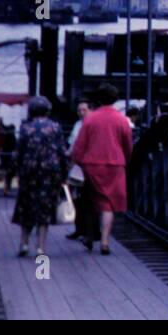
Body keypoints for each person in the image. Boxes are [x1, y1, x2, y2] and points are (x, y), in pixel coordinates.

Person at [69, 82, 133, 256]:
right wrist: (126, 160)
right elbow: (127, 145)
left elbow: (79, 145)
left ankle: (89, 237)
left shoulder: (90, 119)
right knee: (108, 205)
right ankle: (105, 242)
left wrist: (75, 162)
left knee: (90, 203)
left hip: (92, 164)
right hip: (115, 164)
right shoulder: (122, 119)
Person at [11, 96, 68, 258]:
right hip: (50, 172)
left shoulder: (25, 128)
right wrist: (64, 175)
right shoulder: (55, 128)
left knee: (26, 206)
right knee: (44, 208)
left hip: (28, 171)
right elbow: (62, 153)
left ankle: (23, 243)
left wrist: (10, 175)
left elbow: (17, 154)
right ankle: (40, 247)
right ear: (48, 110)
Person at [65, 101, 96, 244]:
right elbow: (72, 143)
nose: (81, 113)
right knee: (77, 198)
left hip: (90, 164)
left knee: (88, 199)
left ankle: (91, 232)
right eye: (79, 111)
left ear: (91, 110)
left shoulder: (94, 124)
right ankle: (80, 228)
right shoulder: (78, 125)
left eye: (84, 110)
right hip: (77, 166)